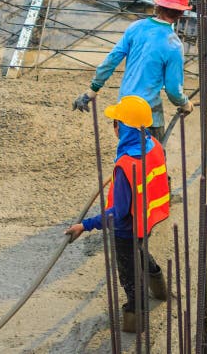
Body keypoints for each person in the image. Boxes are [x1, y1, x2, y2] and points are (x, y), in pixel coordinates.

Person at [65, 95, 170, 333]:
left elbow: (119, 213)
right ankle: (159, 288)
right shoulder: (154, 145)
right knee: (140, 250)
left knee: (130, 278)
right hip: (145, 221)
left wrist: (85, 225)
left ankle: (135, 321)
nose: (114, 127)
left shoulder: (126, 165)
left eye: (116, 122)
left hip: (126, 229)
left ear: (123, 127)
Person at [72, 0, 194, 141]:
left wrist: (92, 91)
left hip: (124, 109)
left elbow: (111, 60)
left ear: (159, 6)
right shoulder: (174, 45)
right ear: (181, 13)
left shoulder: (136, 27)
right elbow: (173, 90)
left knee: (127, 152)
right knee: (154, 155)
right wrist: (185, 103)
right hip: (149, 115)